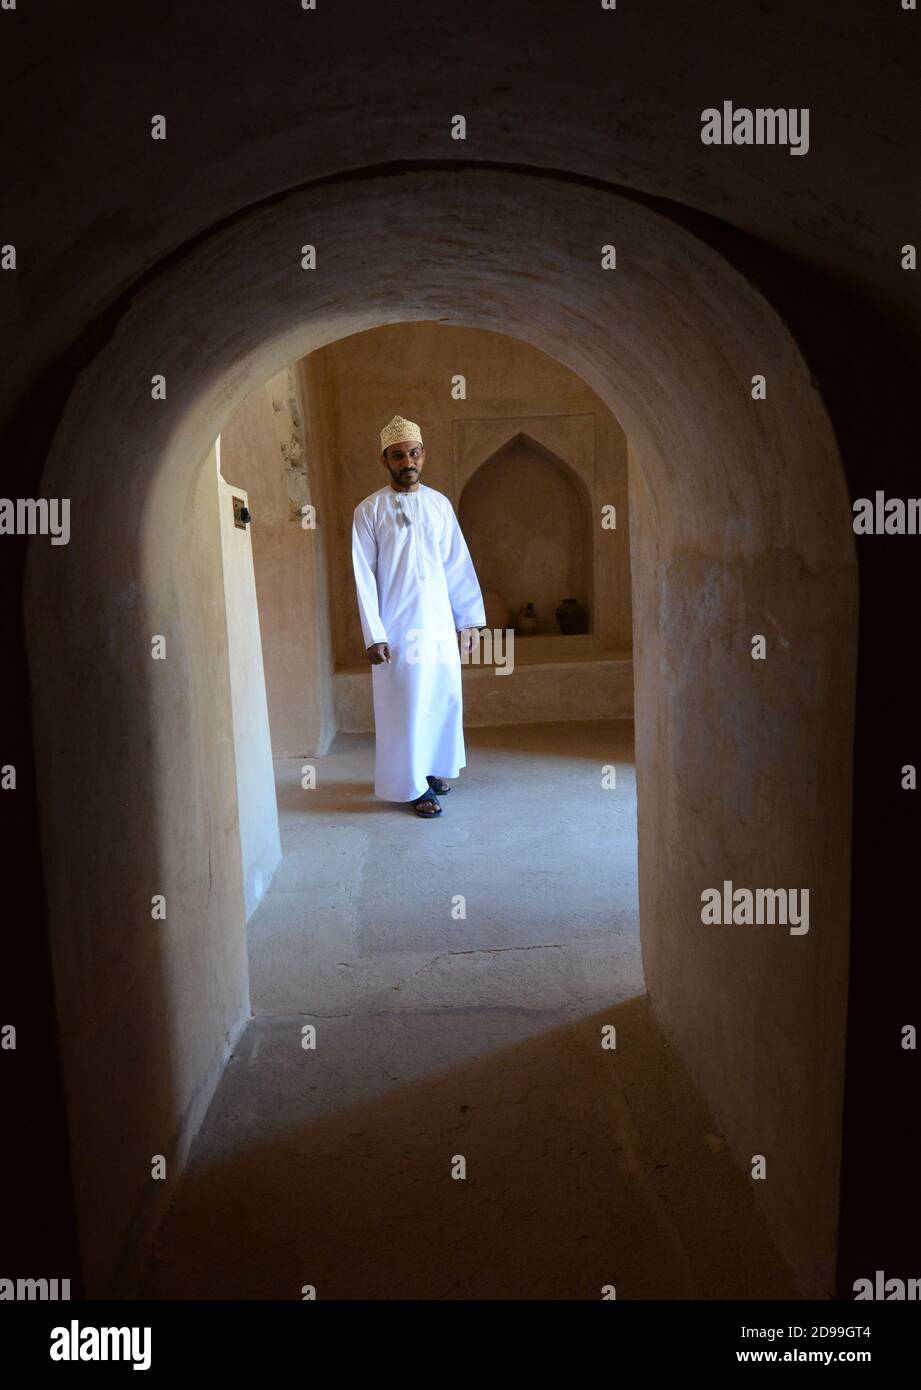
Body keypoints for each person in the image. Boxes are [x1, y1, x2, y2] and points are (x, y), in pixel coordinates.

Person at [351, 415, 486, 817]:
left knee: (439, 700)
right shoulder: (369, 511)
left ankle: (428, 772)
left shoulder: (439, 504)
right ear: (385, 461)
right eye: (397, 455)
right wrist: (374, 634)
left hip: (439, 626)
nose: (406, 461)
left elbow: (457, 564)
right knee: (406, 705)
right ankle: (411, 787)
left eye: (413, 453)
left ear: (423, 455)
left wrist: (470, 620)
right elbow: (363, 576)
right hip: (397, 628)